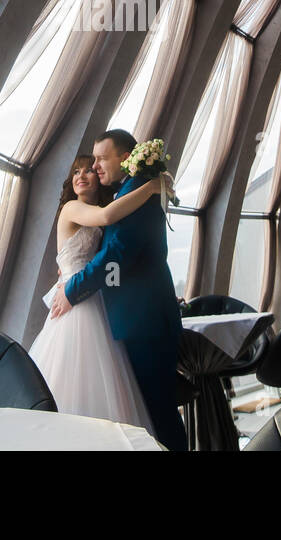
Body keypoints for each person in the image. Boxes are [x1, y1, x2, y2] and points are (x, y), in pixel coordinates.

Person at [48, 129, 188, 451]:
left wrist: (72, 289)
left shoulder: (134, 193)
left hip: (143, 321)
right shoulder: (127, 193)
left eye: (99, 159)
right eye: (85, 165)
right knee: (147, 411)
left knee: (158, 413)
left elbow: (116, 256)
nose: (93, 167)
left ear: (124, 158)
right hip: (130, 317)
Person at [27, 154, 165, 433]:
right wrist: (151, 188)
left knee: (102, 376)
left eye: (89, 170)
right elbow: (106, 215)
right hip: (74, 303)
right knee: (72, 373)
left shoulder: (95, 211)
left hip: (94, 298)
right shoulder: (71, 207)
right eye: (76, 171)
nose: (81, 175)